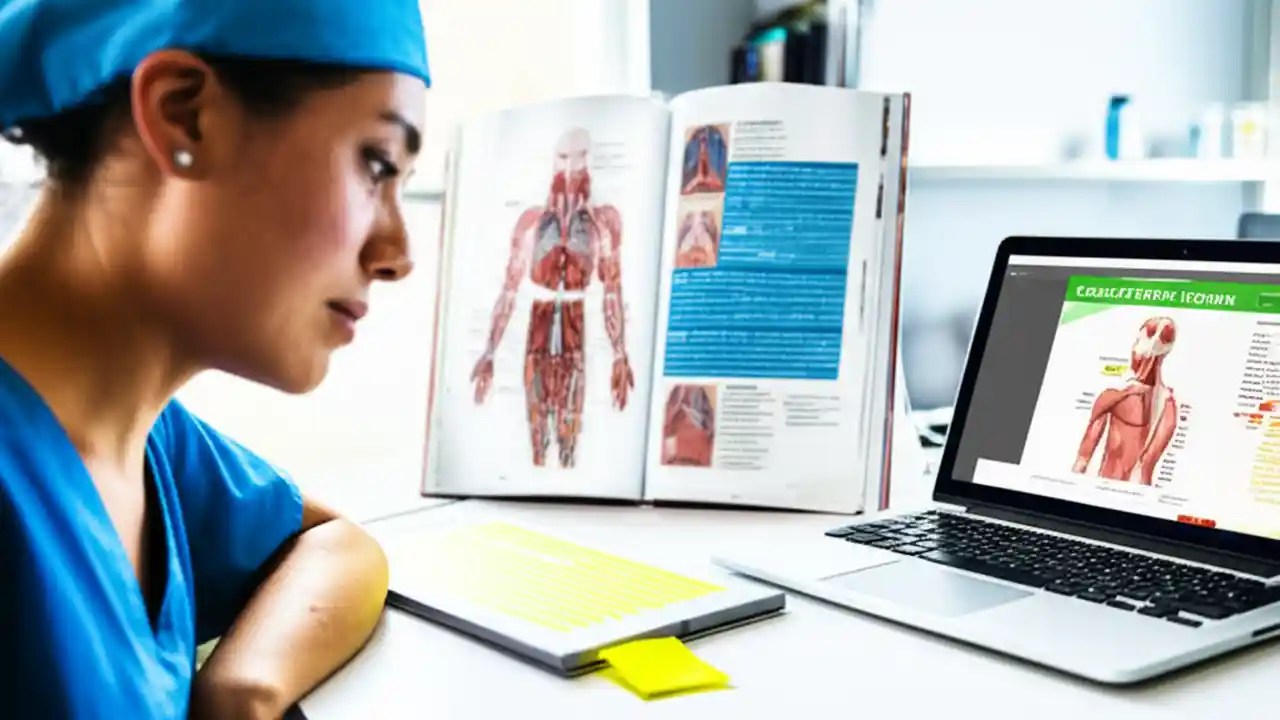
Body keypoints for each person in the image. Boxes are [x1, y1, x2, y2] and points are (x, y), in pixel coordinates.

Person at [0, 1, 431, 717]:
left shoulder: (144, 438)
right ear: (184, 115)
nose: (397, 254)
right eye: (375, 164)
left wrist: (240, 696)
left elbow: (334, 544)